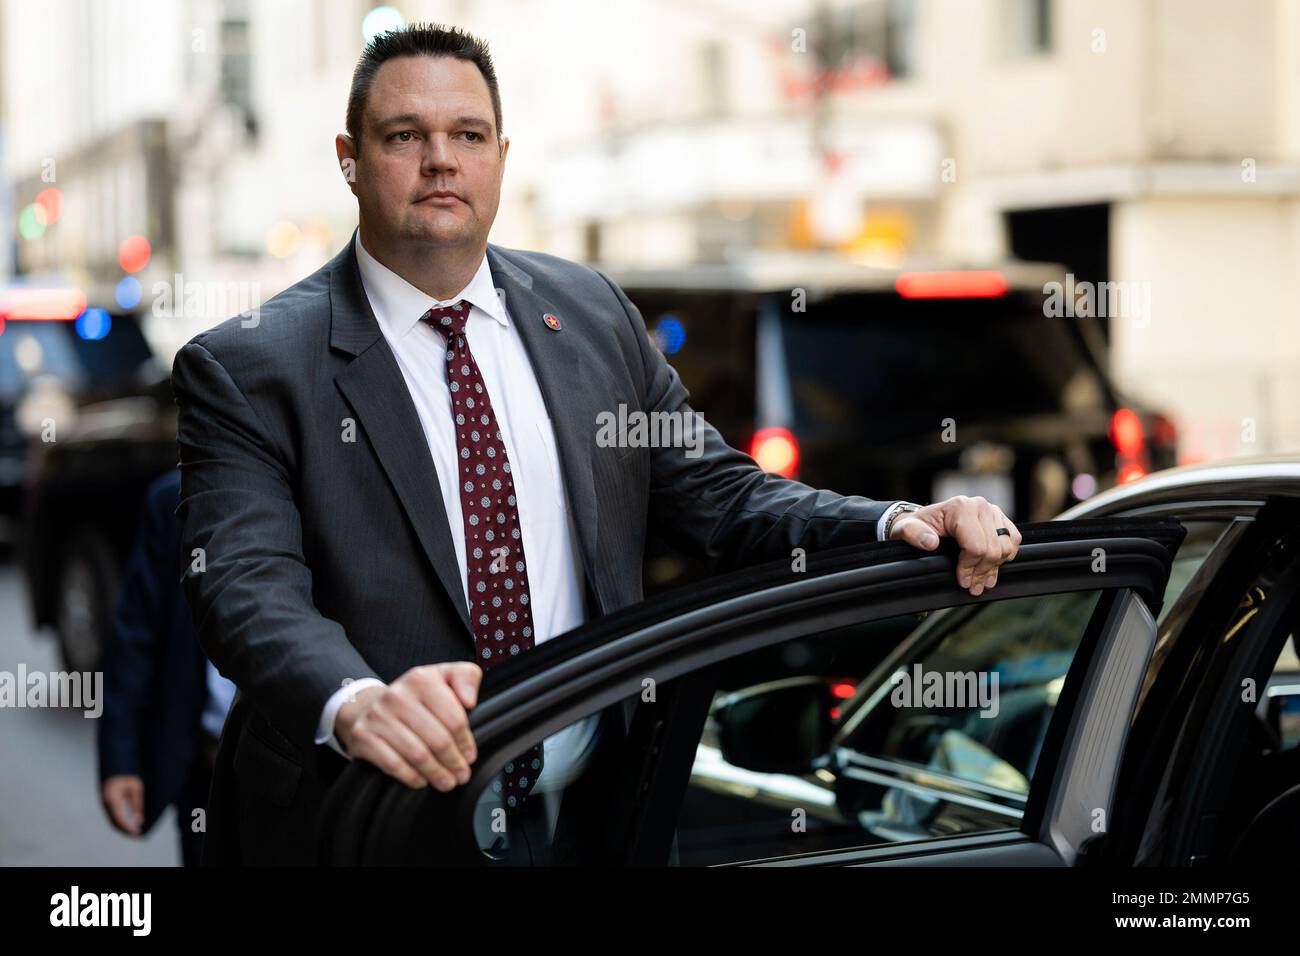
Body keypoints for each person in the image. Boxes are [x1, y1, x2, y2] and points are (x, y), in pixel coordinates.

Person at [171, 22, 1021, 865]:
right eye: (404, 136)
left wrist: (894, 523)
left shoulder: (591, 315)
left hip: (592, 823)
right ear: (349, 158)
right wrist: (356, 703)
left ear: (500, 155)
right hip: (362, 828)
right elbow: (245, 588)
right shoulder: (250, 366)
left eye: (467, 135)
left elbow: (724, 496)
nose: (441, 159)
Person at [98, 468, 236, 866]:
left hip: (306, 776)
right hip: (205, 767)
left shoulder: (325, 492)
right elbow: (136, 634)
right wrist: (121, 759)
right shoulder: (172, 500)